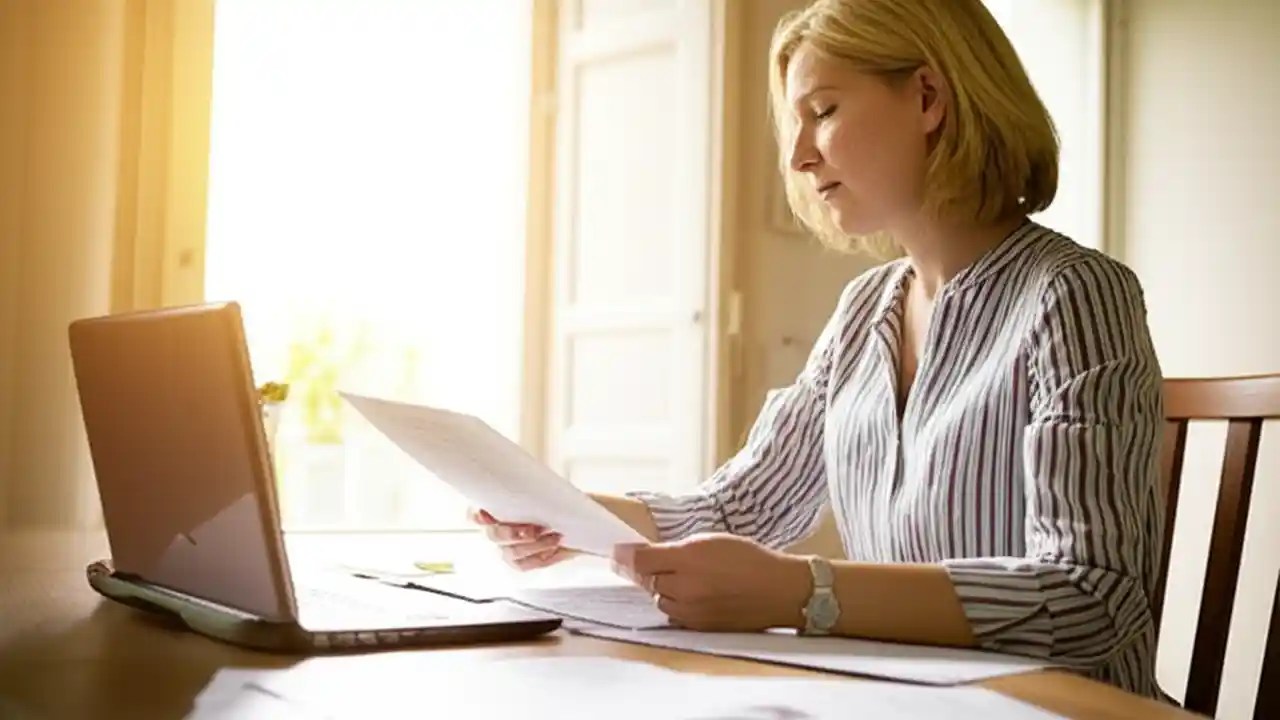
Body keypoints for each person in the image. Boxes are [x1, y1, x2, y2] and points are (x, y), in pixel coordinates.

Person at [473, 0, 1166, 700]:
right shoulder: (865, 309)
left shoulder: (1074, 294)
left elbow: (1093, 597)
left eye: (823, 111)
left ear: (928, 97)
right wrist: (564, 518)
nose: (798, 155)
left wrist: (805, 592)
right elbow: (742, 511)